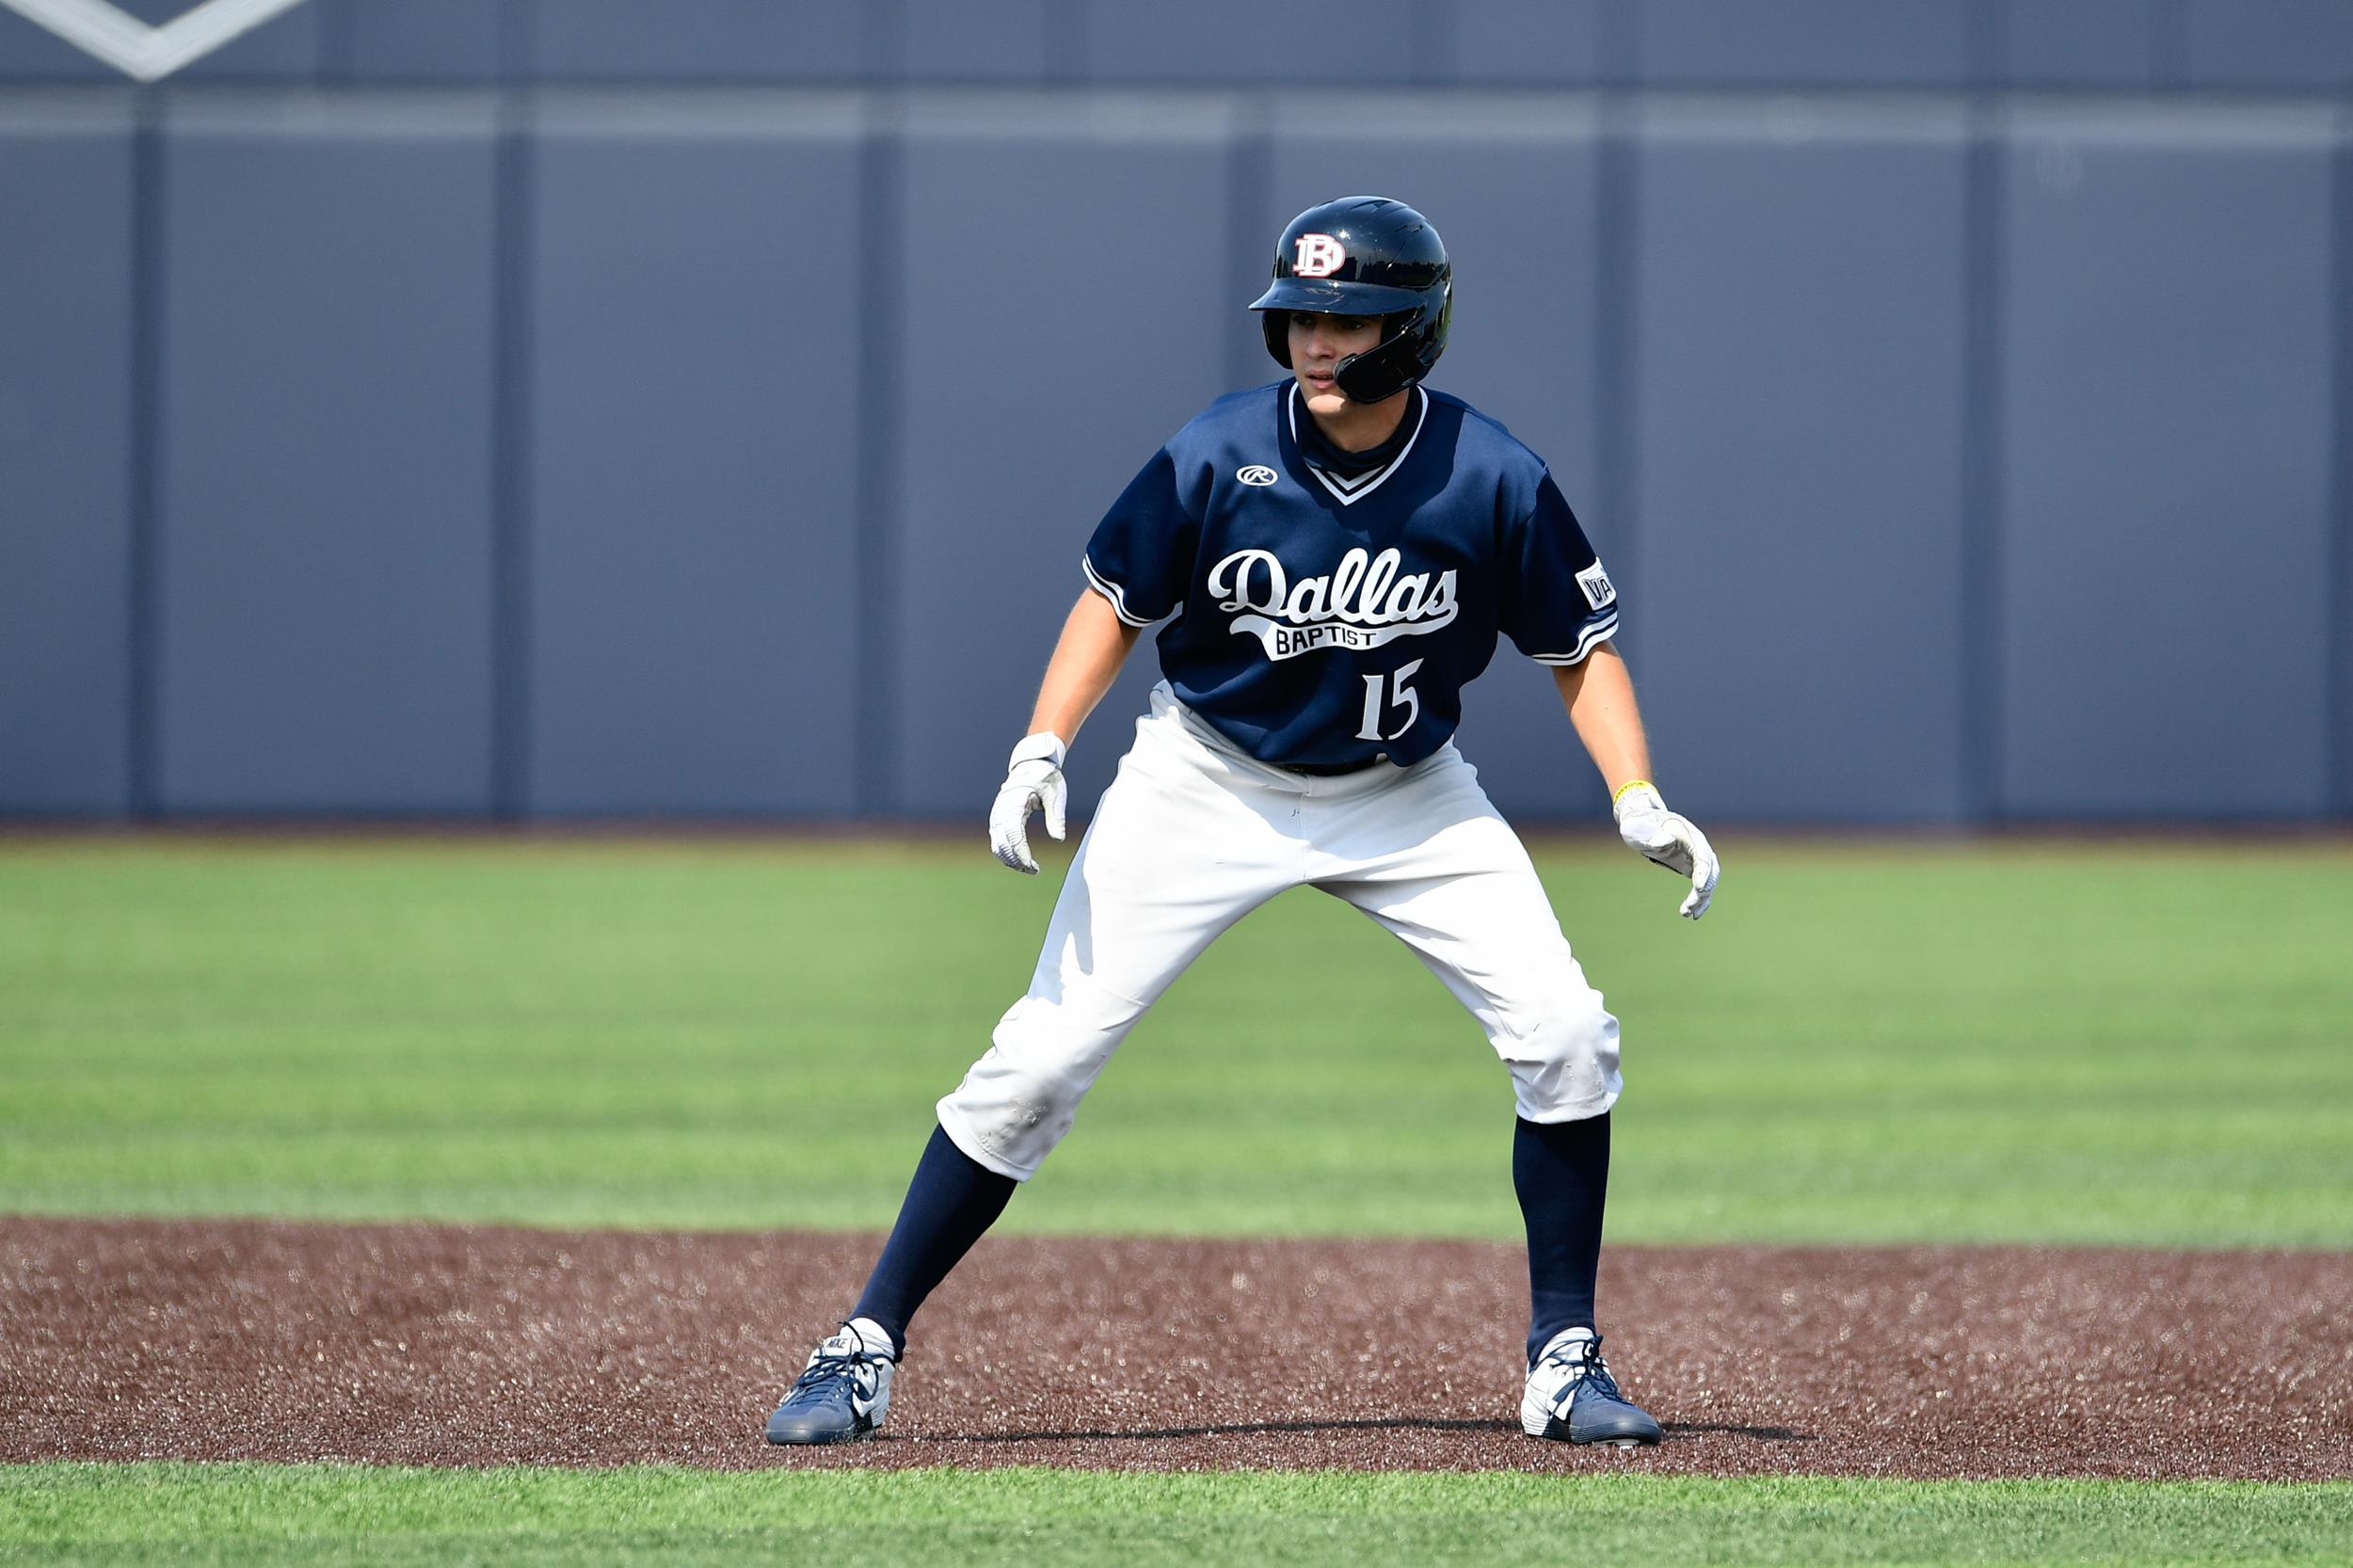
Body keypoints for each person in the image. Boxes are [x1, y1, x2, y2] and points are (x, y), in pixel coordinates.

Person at [765, 196, 1719, 1450]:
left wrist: (1634, 793)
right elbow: (1114, 603)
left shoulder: (1490, 474)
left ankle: (1563, 1359)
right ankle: (864, 1342)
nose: (1317, 342)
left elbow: (1577, 649)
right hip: (1205, 777)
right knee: (1039, 1062)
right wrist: (1042, 745)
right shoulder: (1219, 451)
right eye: (1301, 318)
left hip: (1406, 792)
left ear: (1413, 329)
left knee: (1566, 1037)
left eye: (1346, 318)